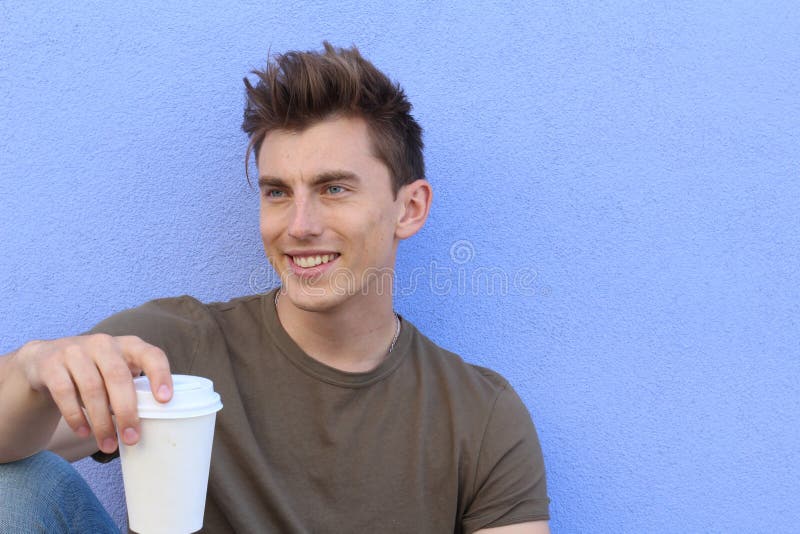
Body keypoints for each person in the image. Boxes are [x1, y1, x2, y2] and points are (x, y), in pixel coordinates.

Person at [0, 42, 550, 533]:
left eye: (333, 189)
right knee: (15, 488)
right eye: (277, 192)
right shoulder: (173, 353)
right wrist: (32, 370)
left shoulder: (480, 416)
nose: (300, 225)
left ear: (410, 208)